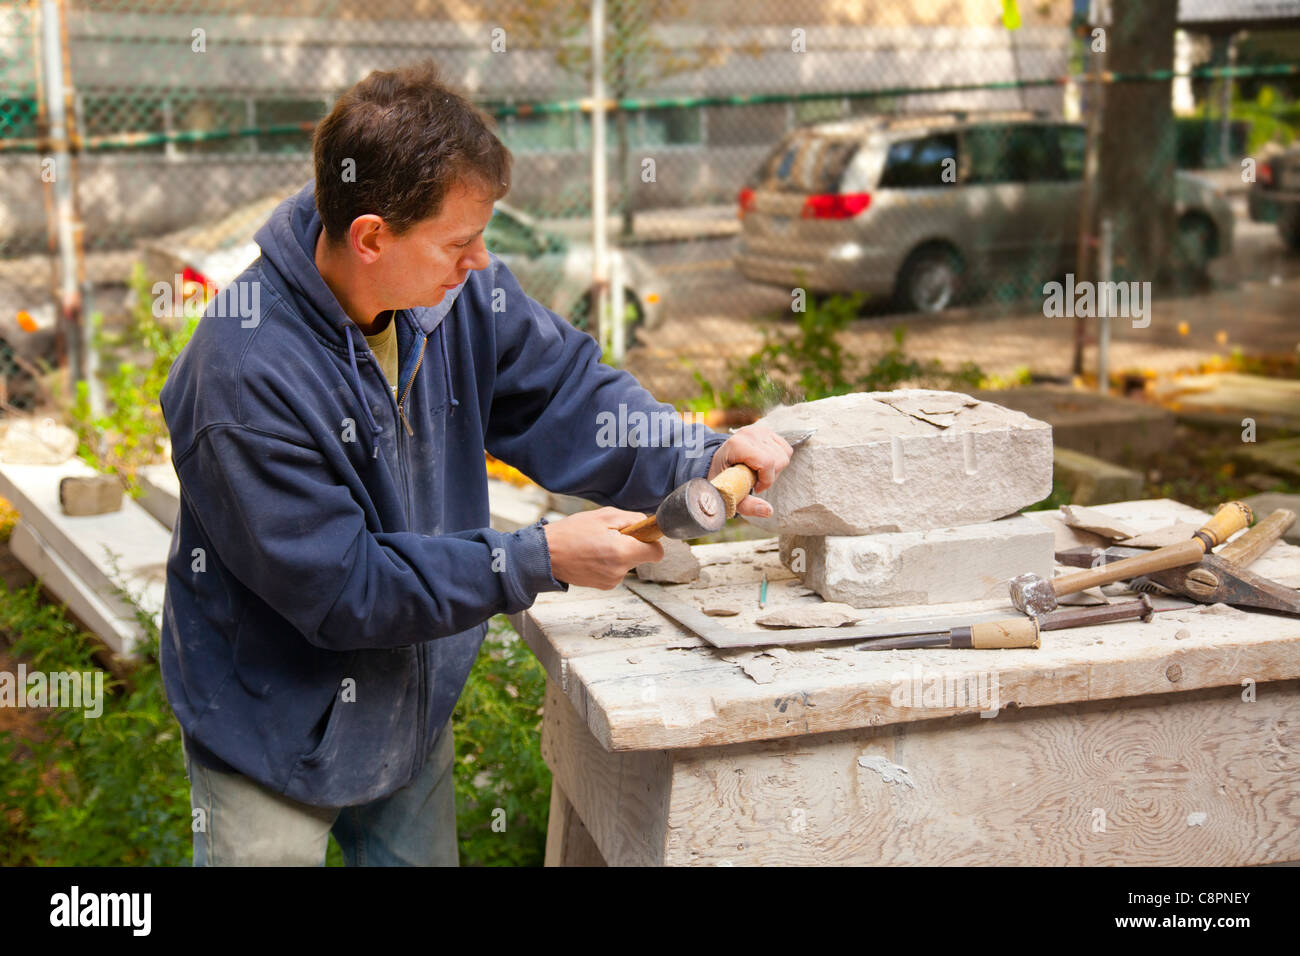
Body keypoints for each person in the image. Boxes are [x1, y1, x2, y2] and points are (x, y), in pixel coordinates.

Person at [158, 61, 793, 866]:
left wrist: (699, 452)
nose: (480, 262)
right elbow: (346, 587)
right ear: (372, 237)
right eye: (459, 242)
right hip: (270, 724)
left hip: (405, 704)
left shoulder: (452, 296)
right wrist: (536, 558)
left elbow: (566, 395)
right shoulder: (242, 377)